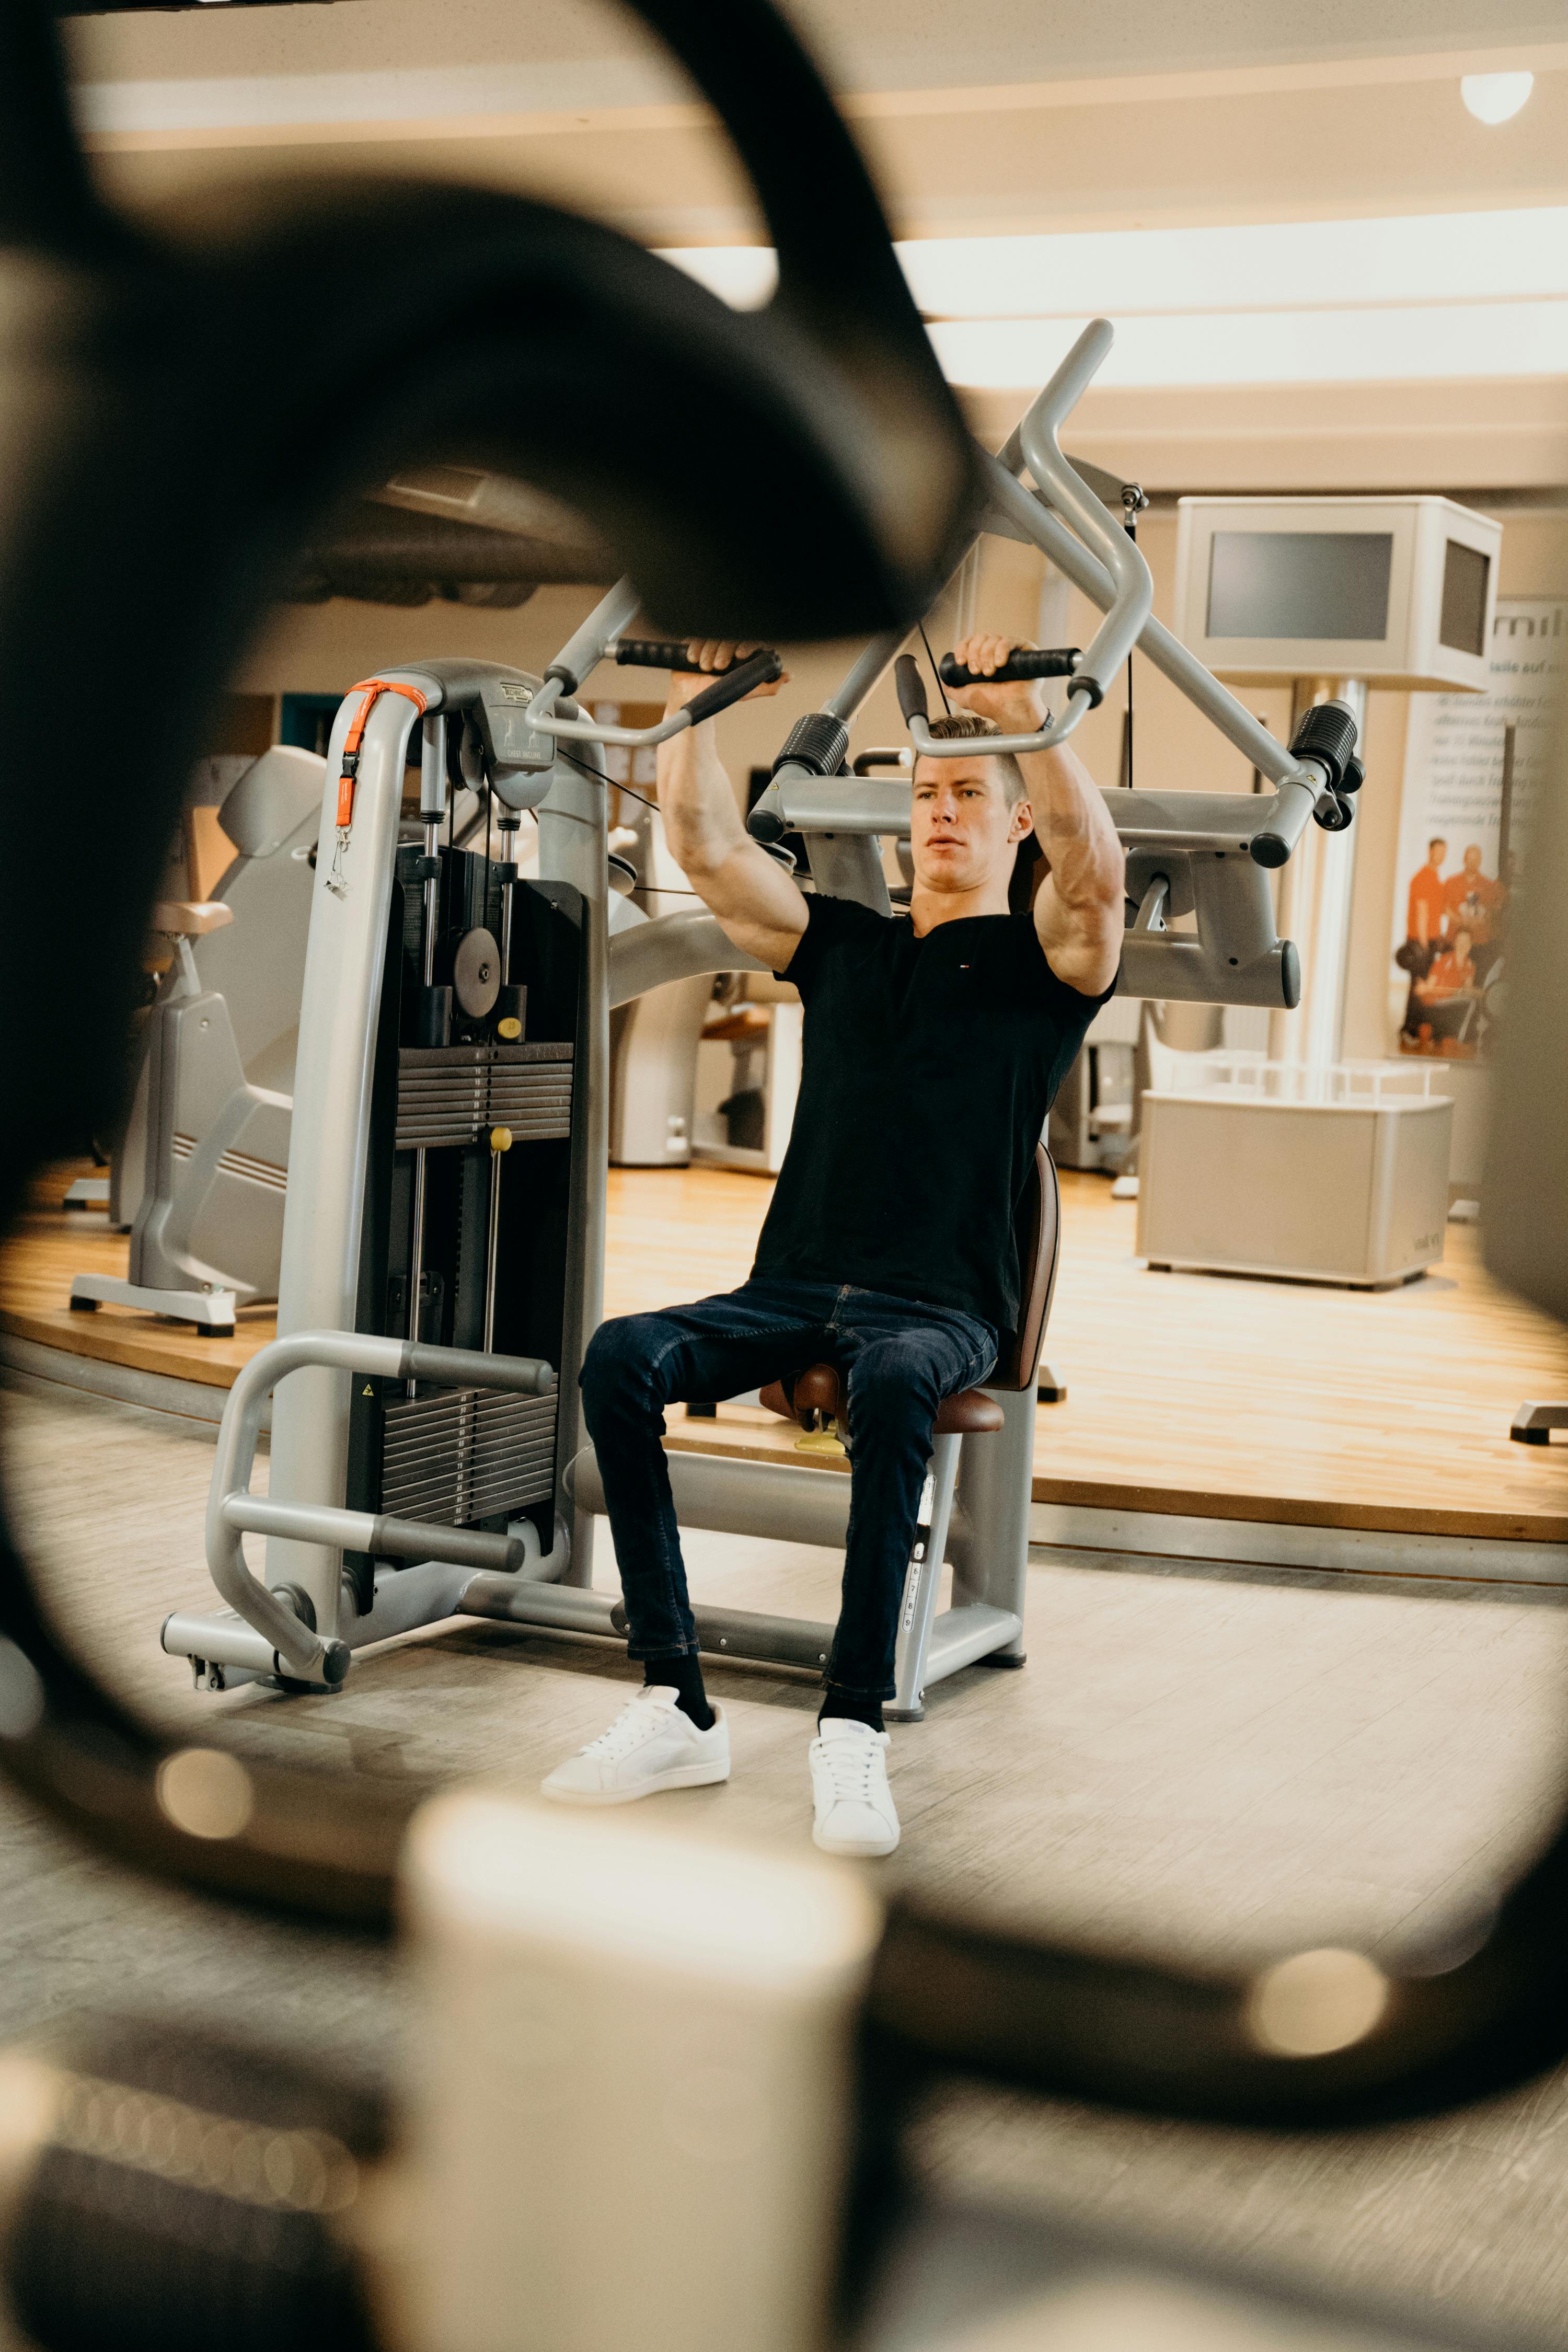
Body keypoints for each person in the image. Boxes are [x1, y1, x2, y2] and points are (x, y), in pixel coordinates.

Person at [540, 632, 1124, 1855]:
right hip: (792, 1283)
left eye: (970, 795)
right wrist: (700, 705)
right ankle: (674, 1700)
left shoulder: (1047, 966)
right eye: (926, 795)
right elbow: (705, 848)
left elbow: (1096, 871)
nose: (941, 814)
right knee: (618, 1355)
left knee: (900, 1374)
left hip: (939, 1306)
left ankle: (851, 1725)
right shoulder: (846, 945)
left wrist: (1024, 719)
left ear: (1015, 823)